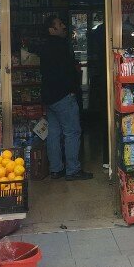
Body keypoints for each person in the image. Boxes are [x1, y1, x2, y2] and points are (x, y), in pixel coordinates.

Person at [36, 15, 93, 181]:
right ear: (51, 29)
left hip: (49, 96)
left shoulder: (44, 47)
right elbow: (69, 71)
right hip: (63, 95)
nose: (63, 27)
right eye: (59, 24)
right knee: (72, 132)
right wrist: (72, 91)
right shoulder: (62, 46)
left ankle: (56, 169)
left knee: (53, 132)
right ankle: (73, 170)